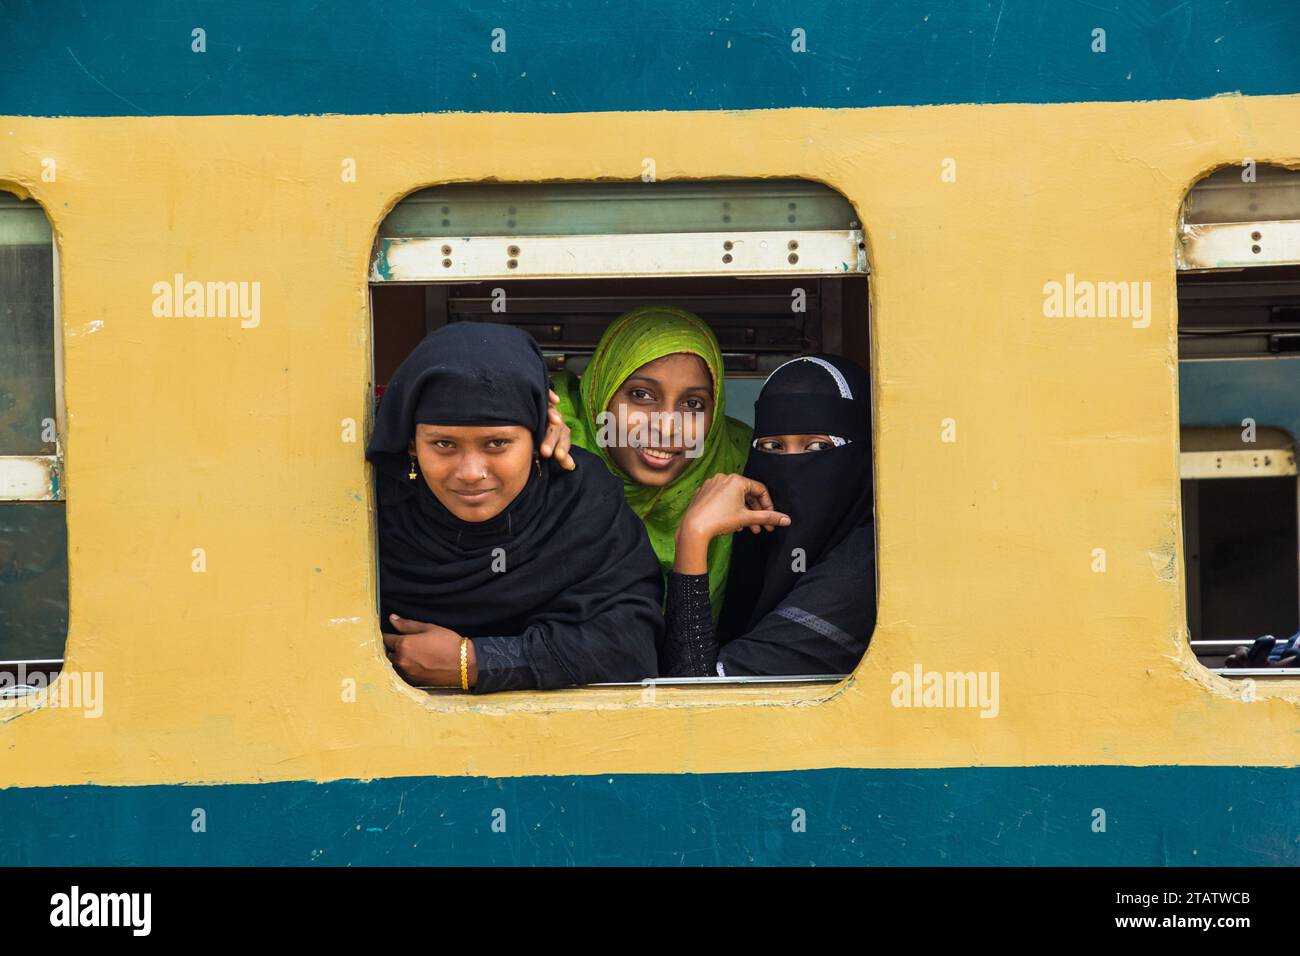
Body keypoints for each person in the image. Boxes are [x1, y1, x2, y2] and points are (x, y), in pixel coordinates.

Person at [365, 321, 664, 692]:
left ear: (540, 433)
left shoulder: (582, 503)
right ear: (411, 444)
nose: (471, 473)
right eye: (443, 444)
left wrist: (476, 662)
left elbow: (629, 647)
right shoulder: (369, 508)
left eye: (497, 444)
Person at [661, 354, 876, 677]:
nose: (790, 467)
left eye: (818, 448)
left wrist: (692, 535)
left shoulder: (862, 572)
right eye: (772, 447)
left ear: (863, 455)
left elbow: (697, 691)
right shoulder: (758, 545)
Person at [551, 305, 751, 610]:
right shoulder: (544, 464)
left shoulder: (743, 468)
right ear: (599, 394)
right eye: (641, 395)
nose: (667, 427)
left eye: (693, 403)